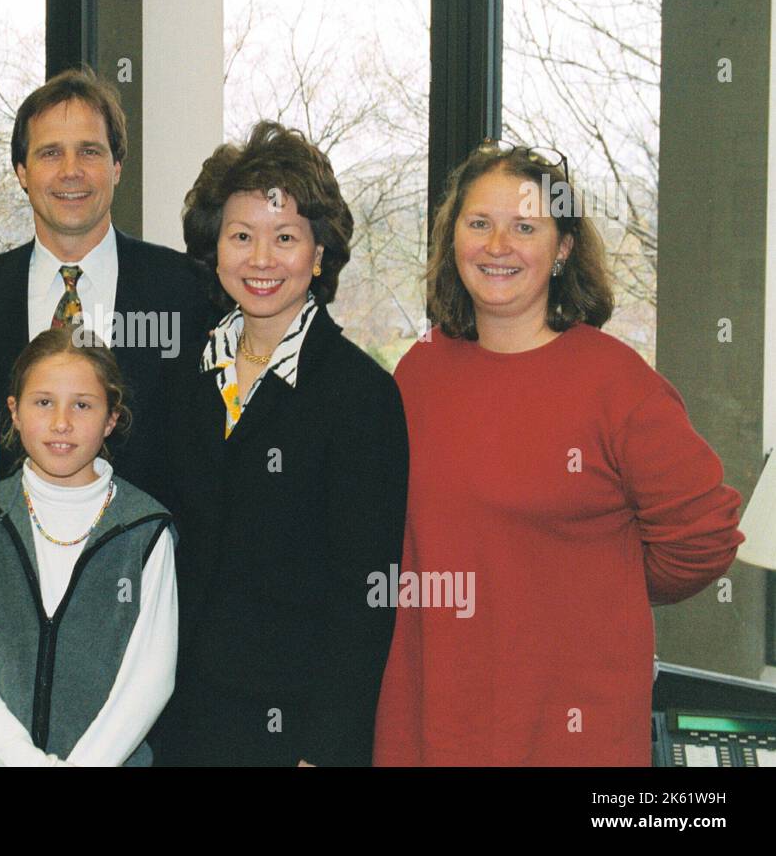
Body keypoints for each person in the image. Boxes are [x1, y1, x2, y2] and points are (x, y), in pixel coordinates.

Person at [373, 141, 745, 766]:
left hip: (565, 730)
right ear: (452, 237)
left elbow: (704, 534)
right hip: (429, 719)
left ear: (563, 248)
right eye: (479, 223)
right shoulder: (419, 372)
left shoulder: (614, 383)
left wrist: (600, 590)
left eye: (525, 227)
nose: (498, 246)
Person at [151, 120, 408, 767]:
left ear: (319, 254)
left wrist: (323, 748)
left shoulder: (360, 394)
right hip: (178, 719)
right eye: (241, 237)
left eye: (285, 238)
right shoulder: (182, 377)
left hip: (294, 733)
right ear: (214, 249)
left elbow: (367, 593)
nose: (261, 260)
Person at [0, 67, 213, 500]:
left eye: (89, 152)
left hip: (156, 556)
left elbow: (201, 454)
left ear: (117, 167)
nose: (71, 171)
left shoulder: (187, 292)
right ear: (22, 172)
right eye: (50, 153)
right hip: (15, 558)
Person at [0, 327, 178, 766]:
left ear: (110, 419)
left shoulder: (146, 529)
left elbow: (149, 678)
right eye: (43, 402)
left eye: (82, 405)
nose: (61, 422)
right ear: (14, 411)